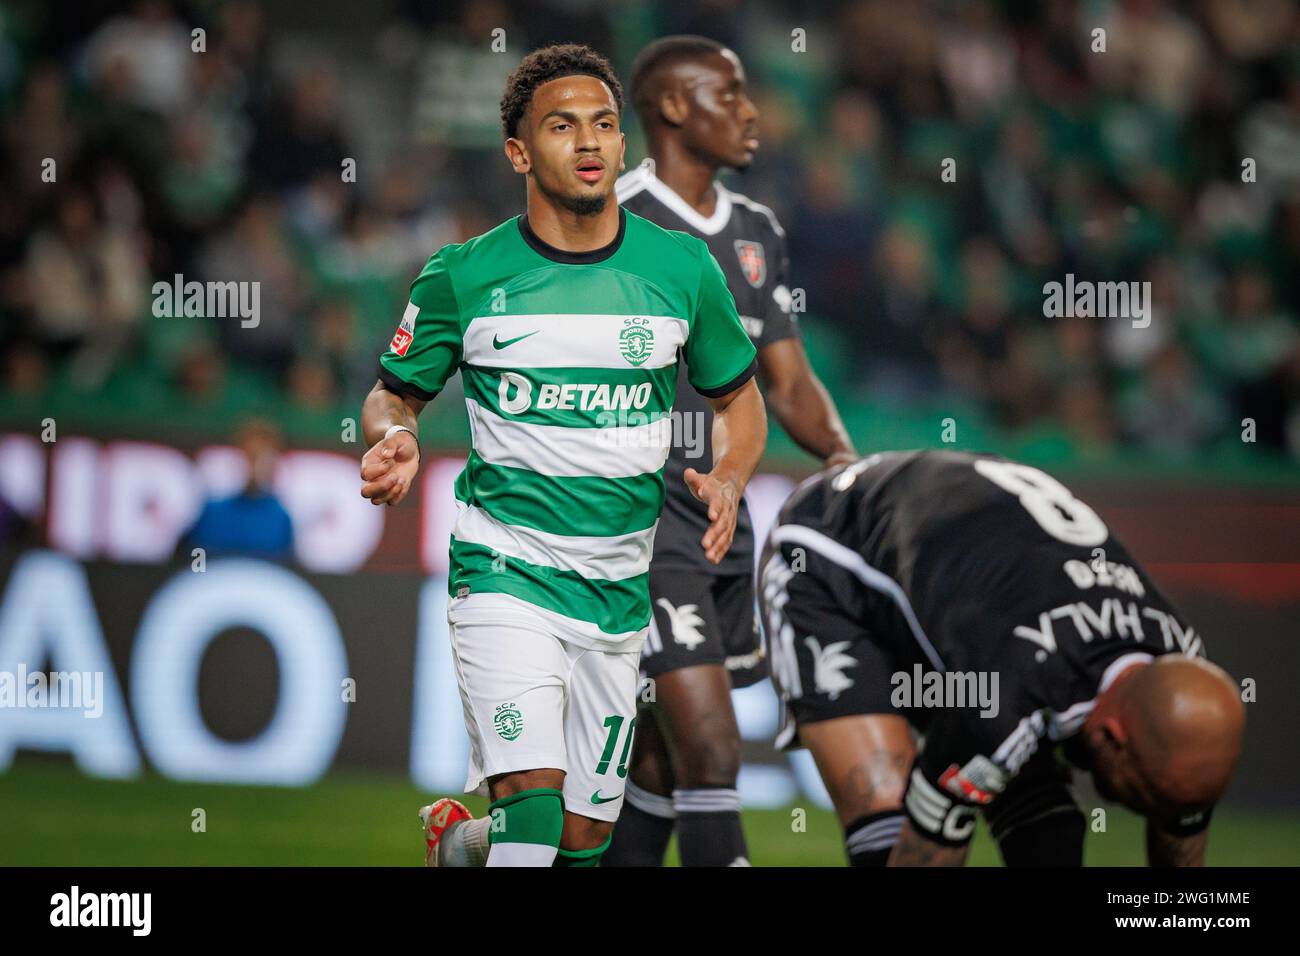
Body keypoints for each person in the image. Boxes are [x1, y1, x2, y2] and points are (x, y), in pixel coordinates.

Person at [358, 44, 767, 867]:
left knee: (583, 841)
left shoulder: (682, 268)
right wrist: (394, 436)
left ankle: (460, 849)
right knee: (536, 808)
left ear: (624, 146)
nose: (588, 141)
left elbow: (740, 403)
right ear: (519, 152)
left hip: (619, 592)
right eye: (561, 126)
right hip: (505, 572)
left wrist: (728, 476)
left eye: (604, 125)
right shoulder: (463, 277)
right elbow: (391, 392)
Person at [603, 35, 855, 868]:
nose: (753, 113)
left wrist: (845, 467)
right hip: (635, 525)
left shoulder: (756, 230)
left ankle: (477, 850)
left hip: (721, 520)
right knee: (710, 748)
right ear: (673, 107)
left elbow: (786, 383)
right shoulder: (614, 217)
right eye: (731, 94)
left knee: (659, 763)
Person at [757, 450, 1244, 866]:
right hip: (829, 557)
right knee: (889, 828)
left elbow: (1182, 851)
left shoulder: (1179, 670)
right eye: (1146, 799)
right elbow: (926, 851)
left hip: (965, 595)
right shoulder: (1002, 696)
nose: (1153, 814)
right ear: (1113, 735)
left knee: (1050, 841)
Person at [180, 418, 293, 560]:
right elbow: (195, 560)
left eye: (262, 457)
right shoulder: (212, 513)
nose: (254, 467)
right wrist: (201, 575)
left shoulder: (280, 518)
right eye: (249, 456)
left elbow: (285, 568)